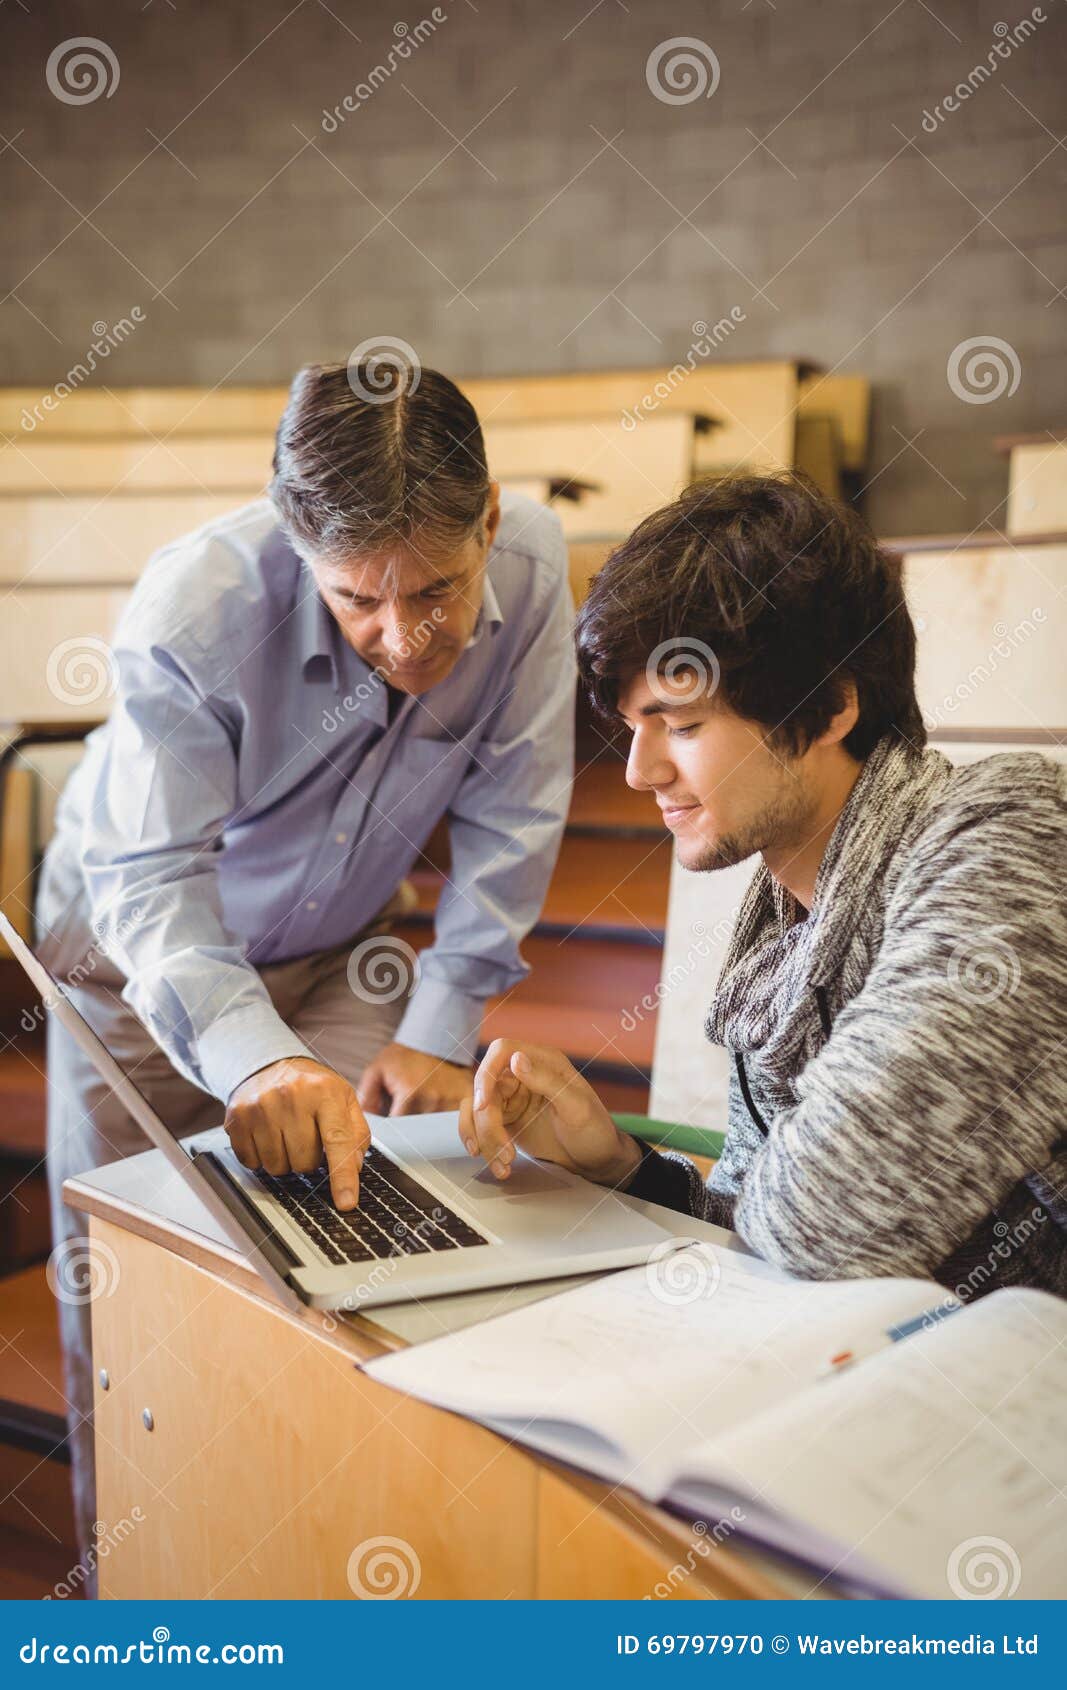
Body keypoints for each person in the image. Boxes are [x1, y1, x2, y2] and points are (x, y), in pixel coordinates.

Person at [38, 360, 576, 1570]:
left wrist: (441, 1030)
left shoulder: (537, 572)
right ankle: (129, 1590)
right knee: (130, 1306)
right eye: (357, 604)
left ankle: (304, 1578)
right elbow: (151, 884)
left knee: (339, 1266)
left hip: (338, 957)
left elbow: (514, 811)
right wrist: (250, 1057)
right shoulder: (196, 607)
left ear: (489, 515)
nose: (409, 639)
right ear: (295, 545)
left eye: (438, 588)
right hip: (134, 974)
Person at [460, 472, 1067, 1302]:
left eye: (681, 725)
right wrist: (621, 1167)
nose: (641, 771)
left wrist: (753, 1212)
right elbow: (753, 1222)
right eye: (634, 728)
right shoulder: (780, 934)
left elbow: (827, 1226)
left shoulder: (1007, 831)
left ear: (829, 708)